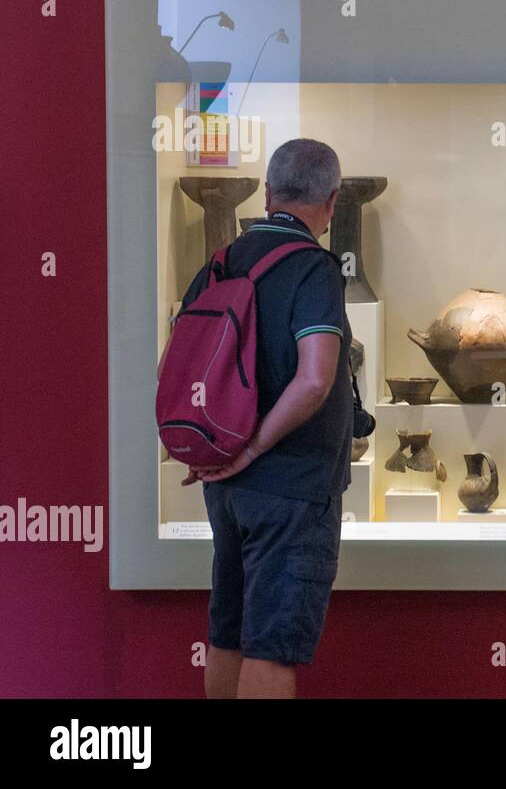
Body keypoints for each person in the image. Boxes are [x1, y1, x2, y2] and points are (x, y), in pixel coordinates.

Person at [170, 139, 352, 698]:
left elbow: (172, 365)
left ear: (269, 194)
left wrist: (222, 452)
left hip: (224, 484)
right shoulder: (314, 271)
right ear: (333, 201)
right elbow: (316, 378)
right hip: (292, 487)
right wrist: (254, 448)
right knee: (272, 649)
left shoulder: (221, 262)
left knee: (229, 634)